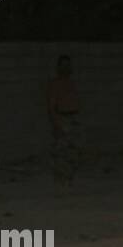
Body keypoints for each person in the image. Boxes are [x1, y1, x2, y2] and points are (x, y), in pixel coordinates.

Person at [47, 55, 82, 185]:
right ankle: (61, 178)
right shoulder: (55, 84)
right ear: (58, 67)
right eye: (63, 65)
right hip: (62, 118)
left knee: (73, 150)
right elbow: (51, 106)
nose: (66, 67)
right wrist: (57, 123)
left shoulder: (71, 83)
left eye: (68, 64)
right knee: (61, 150)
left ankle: (69, 176)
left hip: (73, 118)